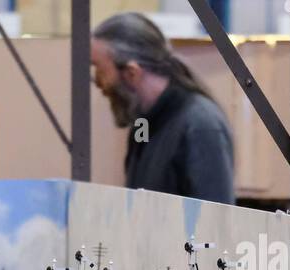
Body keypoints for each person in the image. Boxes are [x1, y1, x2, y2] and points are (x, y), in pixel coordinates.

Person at [91, 12, 235, 205]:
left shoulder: (200, 126)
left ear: (132, 73)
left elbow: (214, 224)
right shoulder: (143, 123)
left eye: (100, 69)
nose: (98, 83)